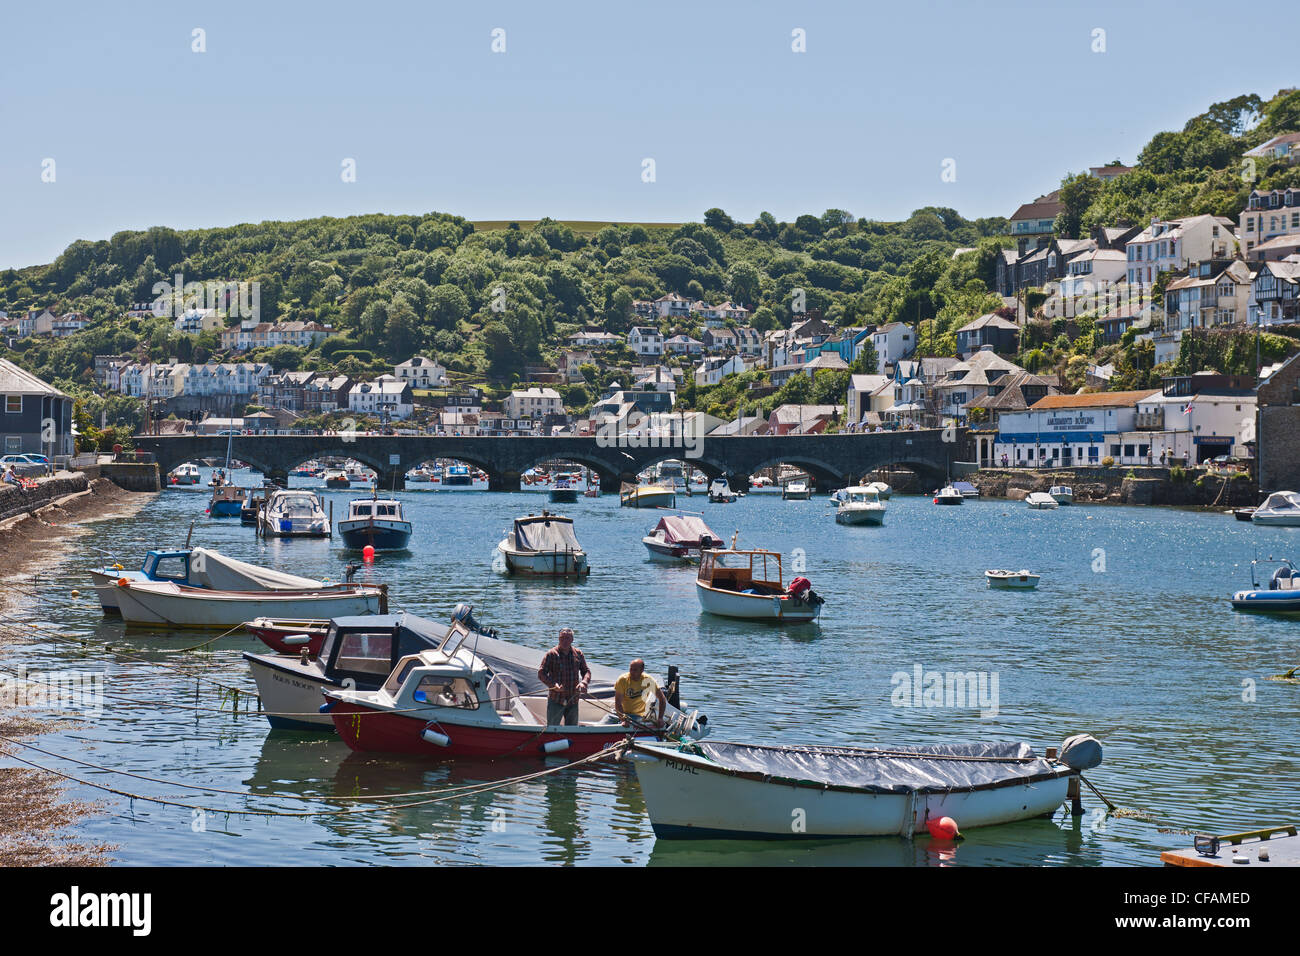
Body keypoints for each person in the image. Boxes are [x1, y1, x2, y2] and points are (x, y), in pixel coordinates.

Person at [537, 627, 591, 727]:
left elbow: (586, 671)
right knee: (553, 728)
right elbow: (541, 673)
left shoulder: (578, 654)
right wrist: (553, 685)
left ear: (572, 640)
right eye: (562, 638)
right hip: (556, 699)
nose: (565, 641)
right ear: (559, 639)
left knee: (572, 730)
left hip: (573, 699)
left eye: (567, 638)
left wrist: (584, 682)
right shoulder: (551, 654)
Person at [614, 659, 668, 727]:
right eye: (631, 669)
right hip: (620, 713)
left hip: (636, 716)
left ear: (642, 670)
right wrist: (623, 719)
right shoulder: (622, 680)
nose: (632, 672)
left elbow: (662, 699)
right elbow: (618, 702)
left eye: (635, 670)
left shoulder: (648, 680)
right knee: (602, 723)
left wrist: (660, 718)